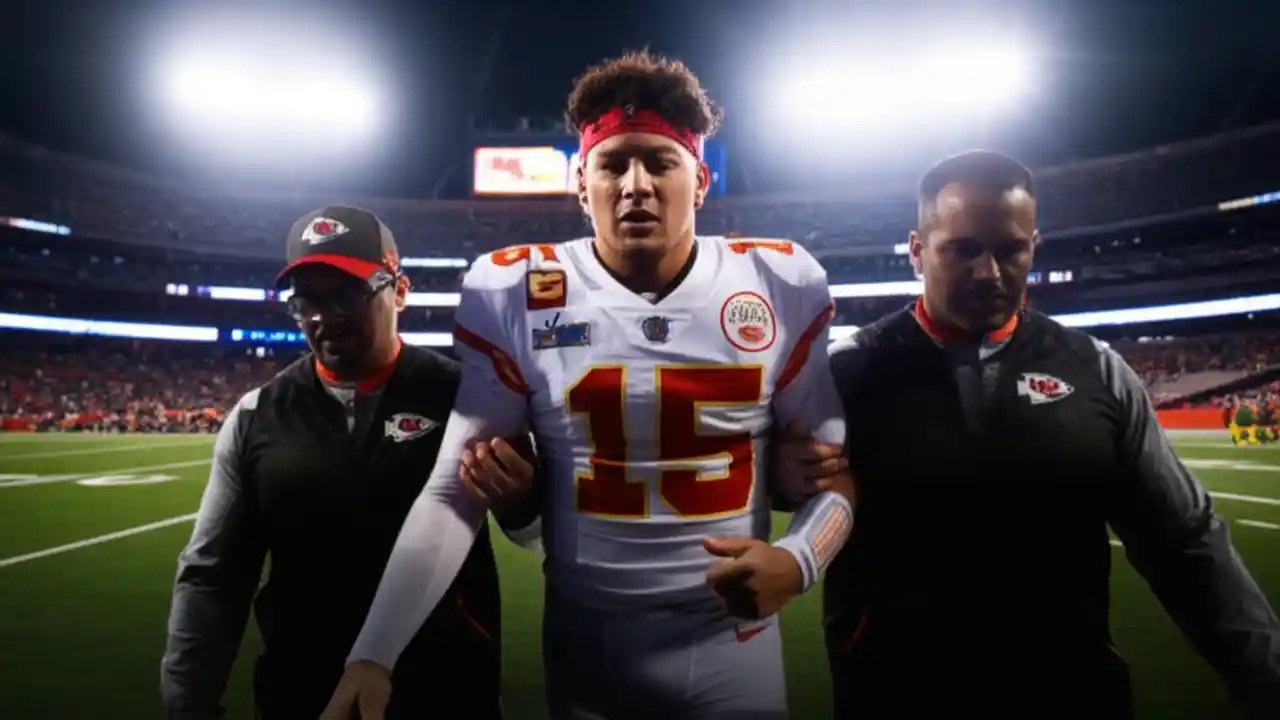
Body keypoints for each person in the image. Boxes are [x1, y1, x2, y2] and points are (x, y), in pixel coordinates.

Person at [320, 51, 856, 720]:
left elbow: (837, 480)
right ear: (581, 182)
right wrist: (373, 653)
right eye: (613, 164)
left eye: (660, 162)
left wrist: (799, 561)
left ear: (701, 181)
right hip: (587, 653)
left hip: (733, 646)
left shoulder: (780, 282)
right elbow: (452, 491)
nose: (635, 184)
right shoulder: (514, 289)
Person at [802, 150, 1280, 718]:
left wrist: (1267, 677)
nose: (989, 271)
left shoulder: (1097, 370)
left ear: (1035, 246)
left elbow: (1185, 543)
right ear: (916, 250)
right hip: (895, 695)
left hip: (1072, 695)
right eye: (963, 250)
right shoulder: (843, 373)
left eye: (1010, 250)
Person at [160, 205, 535, 719]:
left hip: (446, 688)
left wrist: (520, 500)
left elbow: (536, 528)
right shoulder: (256, 416)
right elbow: (213, 576)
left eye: (346, 294)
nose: (323, 315)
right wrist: (188, 705)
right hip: (304, 691)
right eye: (306, 300)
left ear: (399, 290)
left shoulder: (465, 397)